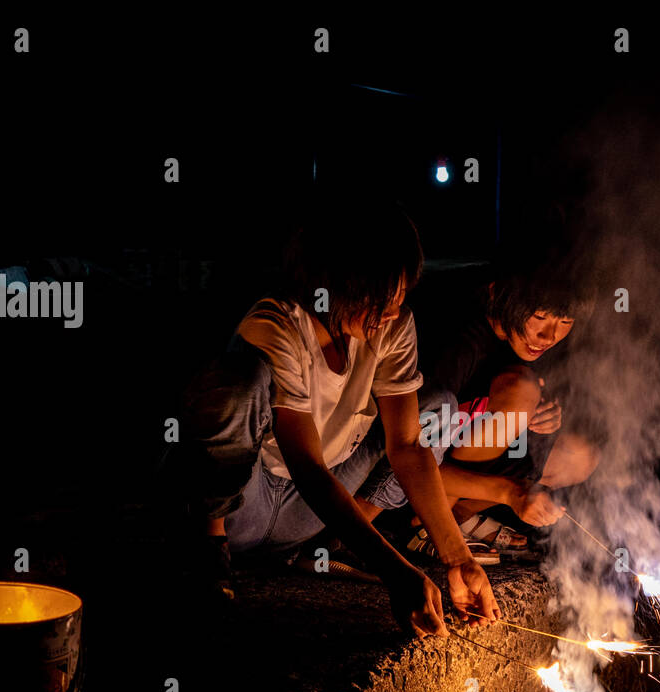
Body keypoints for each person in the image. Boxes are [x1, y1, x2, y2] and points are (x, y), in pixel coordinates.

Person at [176, 198, 500, 637]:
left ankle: (341, 541)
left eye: (402, 292)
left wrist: (458, 558)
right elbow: (305, 465)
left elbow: (406, 445)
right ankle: (208, 551)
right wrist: (395, 573)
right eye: (383, 295)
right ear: (340, 282)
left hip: (307, 515)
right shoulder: (278, 323)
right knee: (239, 378)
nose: (393, 309)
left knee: (436, 409)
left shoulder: (391, 326)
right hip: (244, 506)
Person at [380, 247, 601, 563]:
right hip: (407, 480)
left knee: (579, 455)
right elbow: (405, 456)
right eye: (539, 316)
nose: (549, 334)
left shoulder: (537, 344)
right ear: (498, 292)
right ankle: (426, 524)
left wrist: (545, 418)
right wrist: (510, 492)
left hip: (471, 462)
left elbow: (519, 426)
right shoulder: (459, 341)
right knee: (521, 393)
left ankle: (457, 515)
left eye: (565, 320)